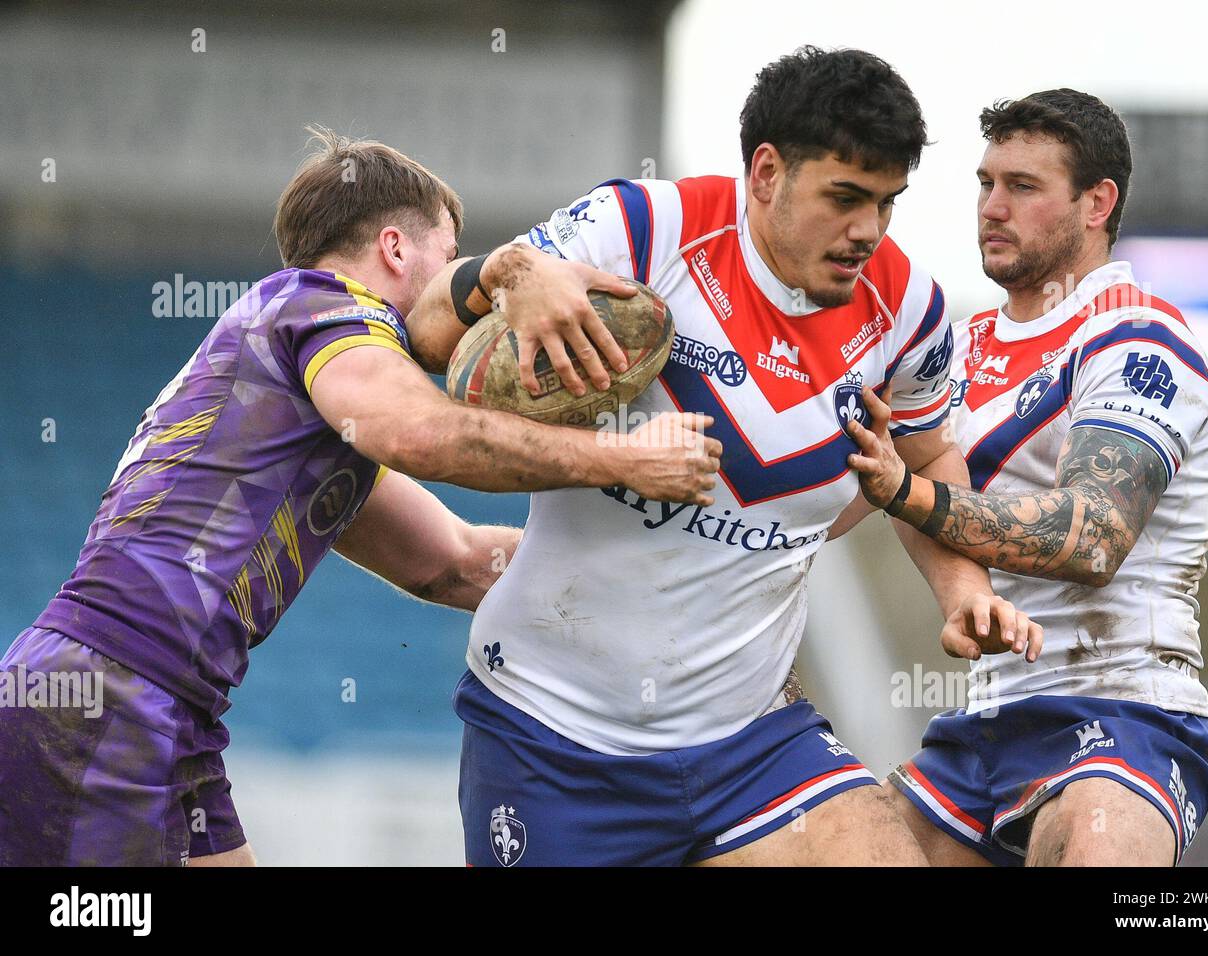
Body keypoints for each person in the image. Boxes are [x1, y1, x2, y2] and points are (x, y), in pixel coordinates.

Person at [0, 128, 720, 867]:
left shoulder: (306, 412)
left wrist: (673, 571)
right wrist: (619, 457)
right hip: (108, 695)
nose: (461, 300)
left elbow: (455, 563)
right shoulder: (316, 303)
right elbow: (421, 431)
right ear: (395, 249)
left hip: (154, 704)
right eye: (447, 257)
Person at [409, 46, 1042, 867]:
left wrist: (962, 590)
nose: (868, 232)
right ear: (768, 172)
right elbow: (427, 332)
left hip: (750, 747)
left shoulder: (908, 311)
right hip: (551, 739)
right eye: (845, 198)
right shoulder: (642, 229)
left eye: (887, 203)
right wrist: (502, 274)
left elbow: (927, 458)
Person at [844, 90, 1208, 866]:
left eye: (1023, 187)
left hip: (1125, 715)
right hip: (982, 726)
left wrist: (908, 493)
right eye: (985, 184)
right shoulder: (953, 343)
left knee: (1096, 848)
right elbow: (872, 491)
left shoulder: (1137, 333)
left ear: (1097, 203)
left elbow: (1091, 537)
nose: (992, 207)